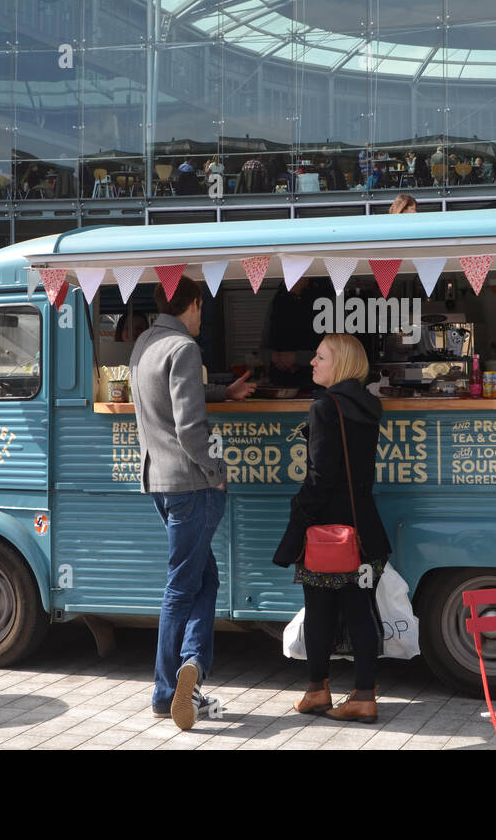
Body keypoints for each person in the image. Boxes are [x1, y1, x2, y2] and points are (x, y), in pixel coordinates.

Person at [129, 275, 255, 731]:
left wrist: (224, 392)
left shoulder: (145, 341)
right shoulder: (184, 349)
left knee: (201, 579)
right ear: (195, 304)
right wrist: (218, 473)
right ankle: (172, 686)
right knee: (184, 586)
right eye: (203, 307)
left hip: (158, 482)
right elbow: (189, 429)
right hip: (192, 485)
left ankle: (189, 673)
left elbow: (161, 403)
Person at [273, 334, 390, 721]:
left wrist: (298, 511)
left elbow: (320, 477)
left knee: (319, 611)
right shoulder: (368, 406)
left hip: (327, 532)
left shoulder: (325, 407)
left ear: (338, 363)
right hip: (364, 528)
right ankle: (364, 693)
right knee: (359, 610)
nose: (312, 363)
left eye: (320, 357)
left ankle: (317, 690)